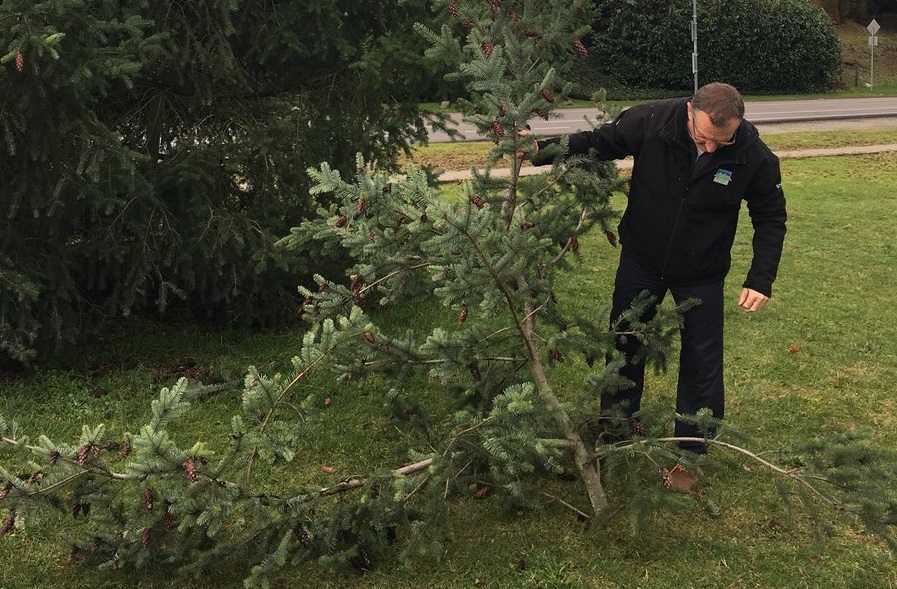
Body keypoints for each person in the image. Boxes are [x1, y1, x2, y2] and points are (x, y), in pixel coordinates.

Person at [530, 82, 787, 454]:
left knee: (702, 361)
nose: (711, 147)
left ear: (738, 125)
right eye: (704, 137)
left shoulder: (753, 155)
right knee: (625, 342)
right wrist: (539, 150)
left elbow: (771, 216)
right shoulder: (652, 121)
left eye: (722, 140)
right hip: (641, 261)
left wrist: (761, 278)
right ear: (688, 114)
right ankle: (616, 427)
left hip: (703, 274)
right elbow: (597, 142)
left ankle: (692, 448)